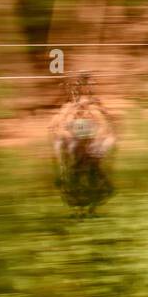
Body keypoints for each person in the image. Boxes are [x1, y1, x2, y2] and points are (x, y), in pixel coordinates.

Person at [50, 74, 117, 214]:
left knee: (92, 168)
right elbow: (57, 128)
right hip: (77, 149)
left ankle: (91, 204)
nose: (81, 107)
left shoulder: (93, 110)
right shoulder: (69, 111)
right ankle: (80, 204)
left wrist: (94, 108)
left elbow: (106, 125)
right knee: (76, 166)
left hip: (89, 149)